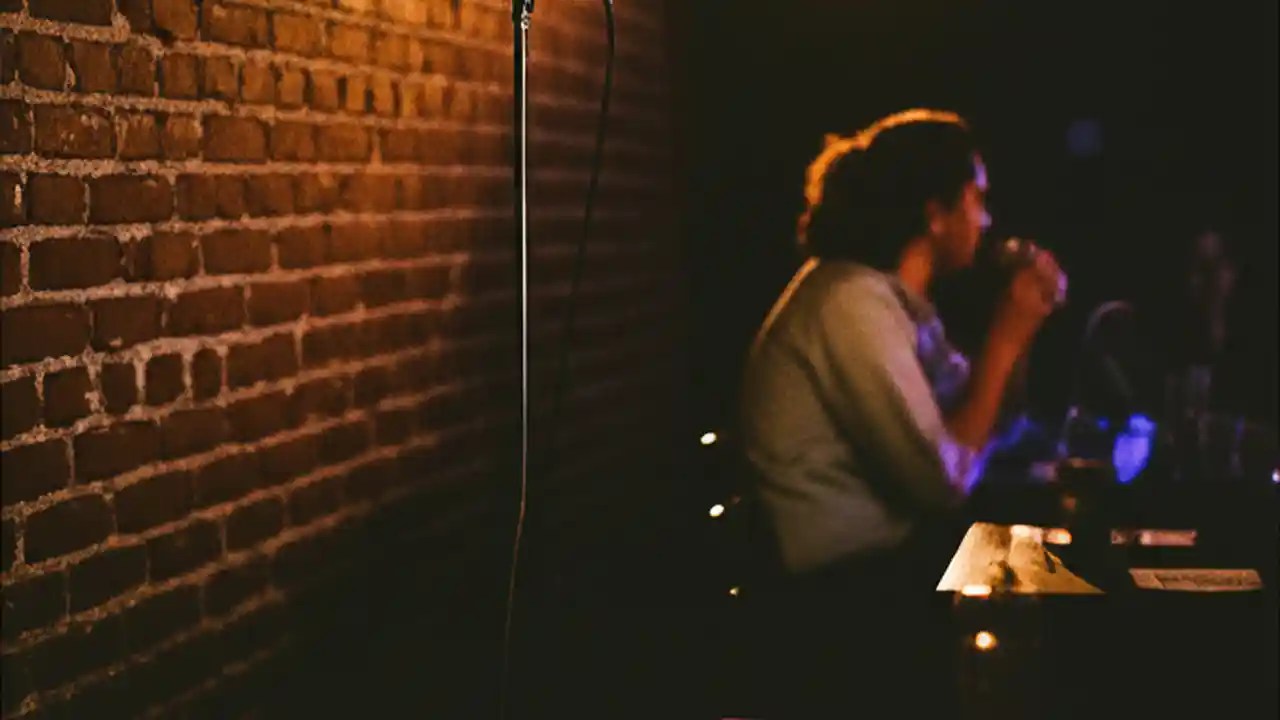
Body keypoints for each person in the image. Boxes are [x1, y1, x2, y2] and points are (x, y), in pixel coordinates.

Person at [737, 109, 1064, 715]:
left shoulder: (895, 303)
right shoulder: (849, 304)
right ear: (935, 214)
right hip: (840, 604)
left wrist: (1020, 323)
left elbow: (982, 420)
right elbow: (943, 480)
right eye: (977, 199)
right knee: (1052, 614)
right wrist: (1005, 340)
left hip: (886, 575)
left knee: (1064, 570)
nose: (986, 219)